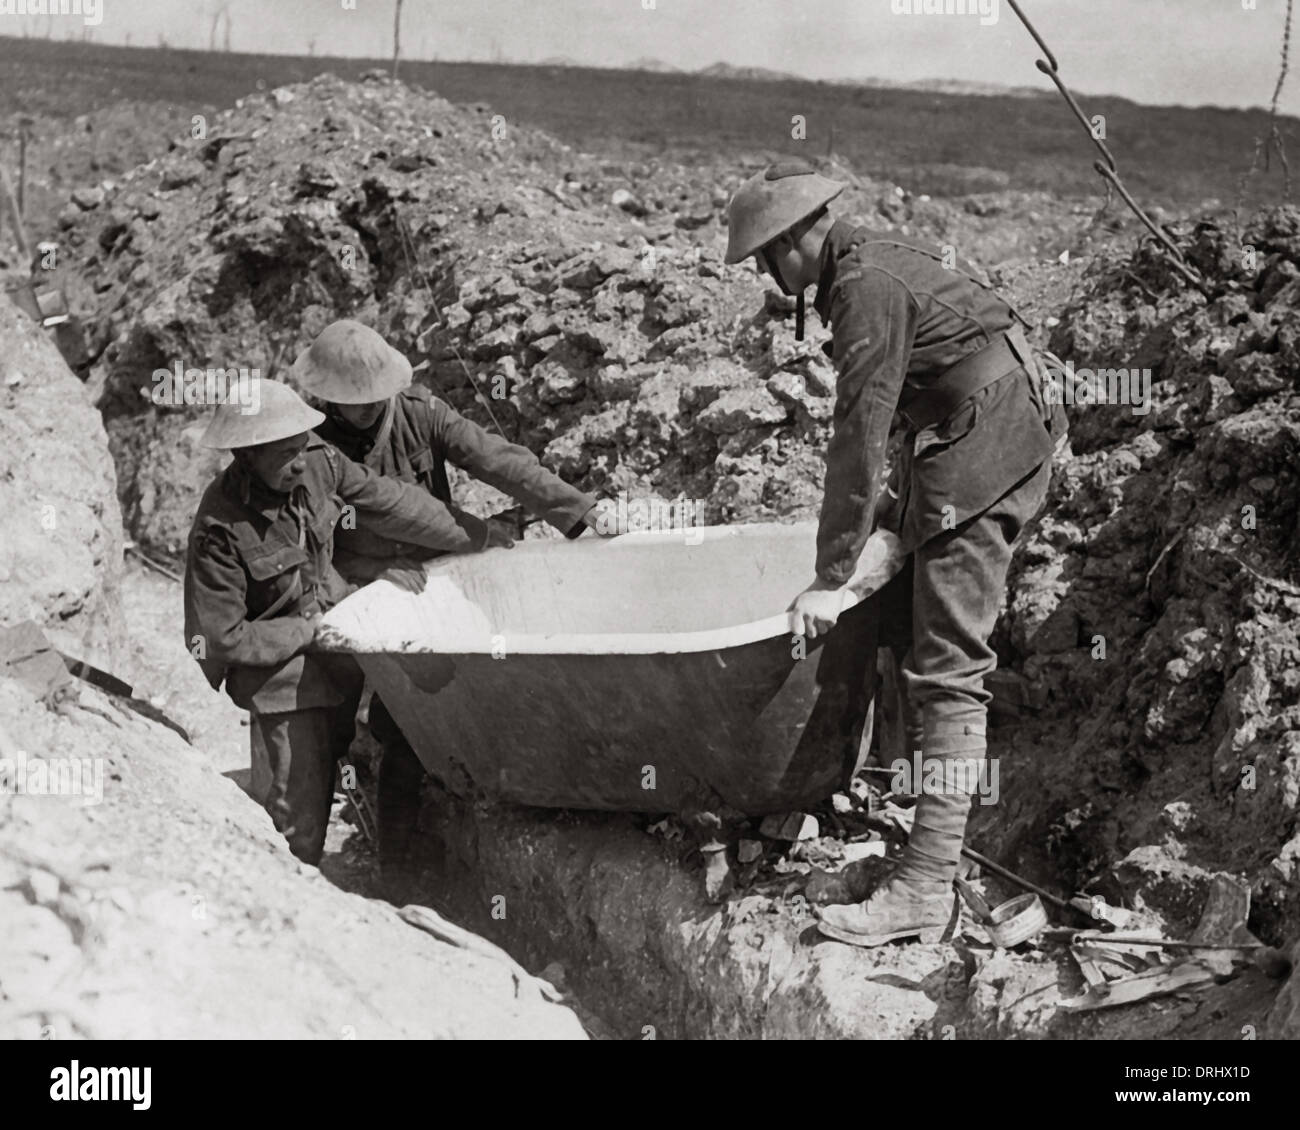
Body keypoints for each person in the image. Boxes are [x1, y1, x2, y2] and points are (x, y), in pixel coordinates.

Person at [724, 161, 1067, 946]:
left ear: (799, 238)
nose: (770, 279)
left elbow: (859, 434)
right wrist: (885, 520)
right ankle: (914, 839)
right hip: (969, 433)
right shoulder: (865, 264)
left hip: (987, 446)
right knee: (908, 630)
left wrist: (830, 574)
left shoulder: (863, 288)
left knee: (948, 666)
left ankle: (923, 886)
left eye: (770, 258)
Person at [292, 319, 617, 892]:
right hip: (354, 589)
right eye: (352, 404)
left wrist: (577, 509)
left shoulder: (421, 412)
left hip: (431, 583)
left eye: (374, 401)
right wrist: (366, 574)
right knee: (328, 717)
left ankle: (399, 871)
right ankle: (301, 864)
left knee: (407, 726)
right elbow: (308, 542)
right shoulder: (312, 444)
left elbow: (497, 459)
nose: (366, 412)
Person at [183, 377, 497, 867]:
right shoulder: (220, 527)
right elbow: (217, 638)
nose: (300, 461)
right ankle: (292, 893)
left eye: (301, 446)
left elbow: (392, 502)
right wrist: (307, 629)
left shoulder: (318, 463)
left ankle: (390, 865)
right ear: (246, 455)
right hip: (280, 672)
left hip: (332, 638)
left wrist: (475, 534)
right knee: (298, 821)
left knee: (401, 708)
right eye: (284, 454)